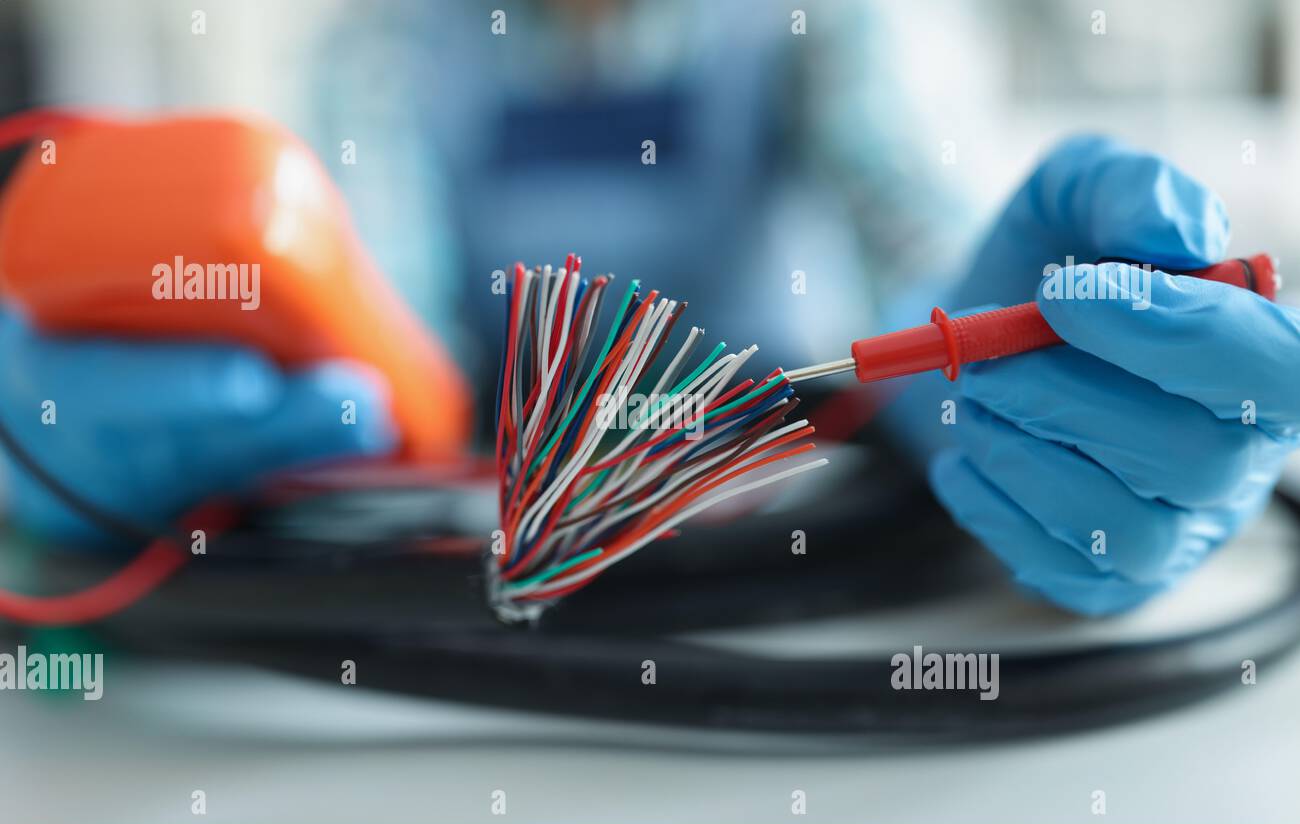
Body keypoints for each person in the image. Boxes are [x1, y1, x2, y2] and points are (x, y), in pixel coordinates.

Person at [0, 0, 1294, 616]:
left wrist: (989, 349)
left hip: (802, 550)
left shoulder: (831, 26)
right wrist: (90, 430)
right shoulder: (386, 51)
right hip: (496, 556)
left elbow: (912, 223)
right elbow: (384, 331)